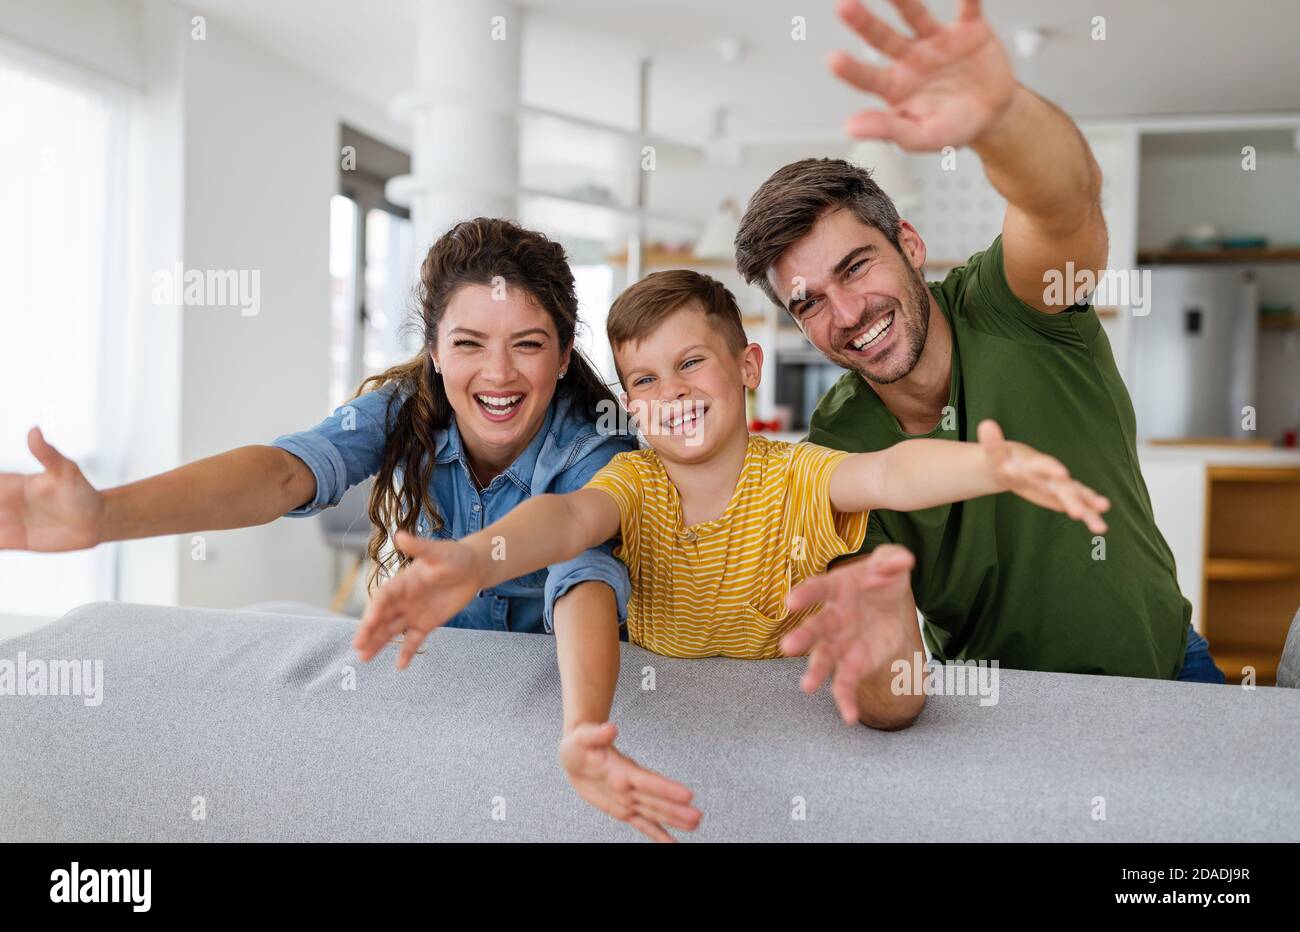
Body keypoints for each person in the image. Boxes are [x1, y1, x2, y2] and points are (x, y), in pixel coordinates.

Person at [353, 268, 1110, 841]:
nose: (670, 390)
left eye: (691, 364)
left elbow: (888, 472)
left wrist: (990, 468)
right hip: (675, 700)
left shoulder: (796, 473)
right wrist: (481, 559)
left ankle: (886, 626)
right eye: (644, 379)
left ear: (747, 367)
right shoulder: (633, 481)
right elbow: (565, 518)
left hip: (790, 697)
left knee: (885, 673)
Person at [733, 0, 1224, 684]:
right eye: (807, 302)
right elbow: (894, 677)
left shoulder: (1009, 303)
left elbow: (1065, 206)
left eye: (855, 266)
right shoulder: (841, 441)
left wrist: (1003, 121)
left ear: (909, 244)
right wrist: (872, 667)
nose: (845, 313)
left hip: (1167, 676)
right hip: (996, 722)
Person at [0, 217, 633, 644]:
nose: (498, 374)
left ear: (562, 351)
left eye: (527, 344)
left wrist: (580, 728)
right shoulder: (403, 407)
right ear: (435, 351)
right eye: (469, 343)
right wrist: (106, 516)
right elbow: (282, 473)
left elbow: (582, 578)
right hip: (443, 689)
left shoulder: (597, 450)